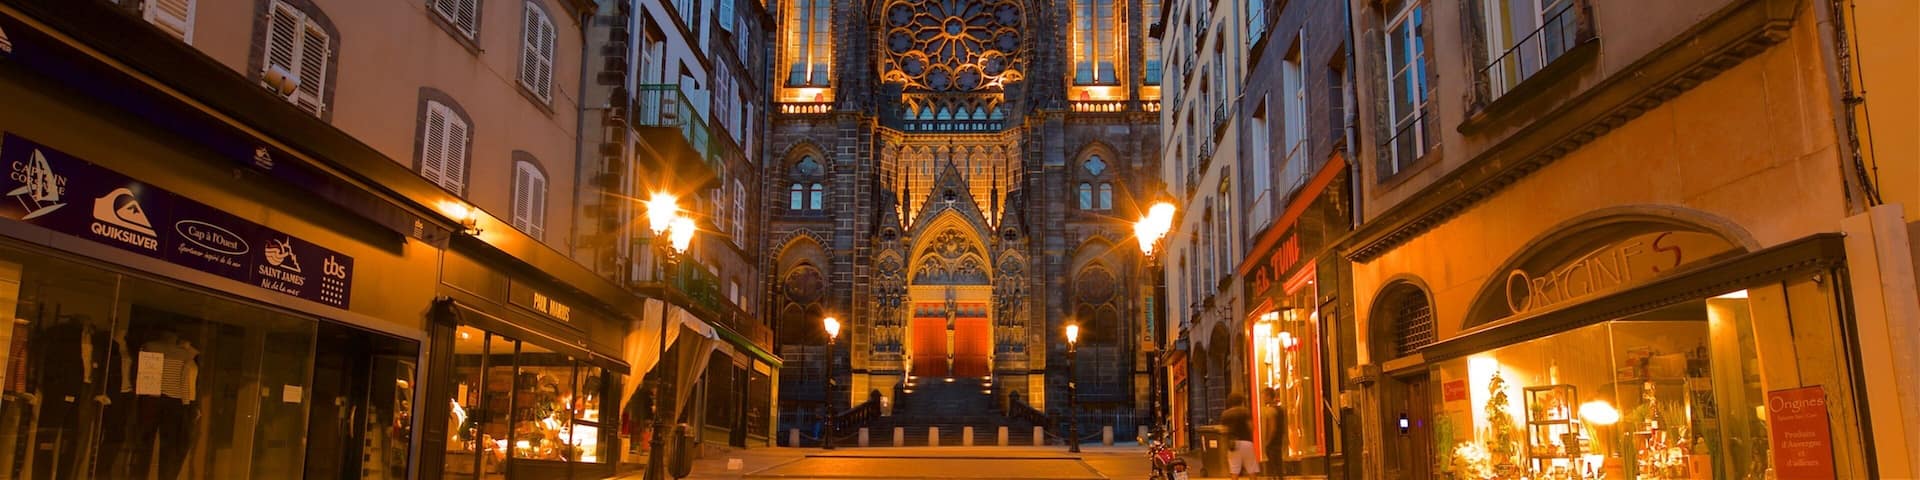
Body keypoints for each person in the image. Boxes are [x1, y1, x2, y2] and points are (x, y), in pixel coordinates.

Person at [1219, 392, 1259, 479]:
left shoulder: (1225, 414)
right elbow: (1251, 427)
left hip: (1233, 444)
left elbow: (1224, 430)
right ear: (1241, 401)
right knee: (1251, 469)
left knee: (1234, 471)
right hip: (1247, 442)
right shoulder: (1245, 411)